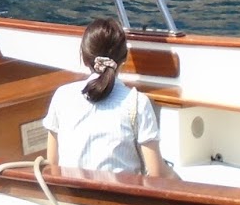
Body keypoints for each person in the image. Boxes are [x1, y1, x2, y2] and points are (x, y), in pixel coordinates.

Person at [44, 17, 164, 176]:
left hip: (69, 198)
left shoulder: (62, 96)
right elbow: (156, 174)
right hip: (121, 199)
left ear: (83, 56)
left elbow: (52, 163)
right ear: (125, 58)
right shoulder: (137, 103)